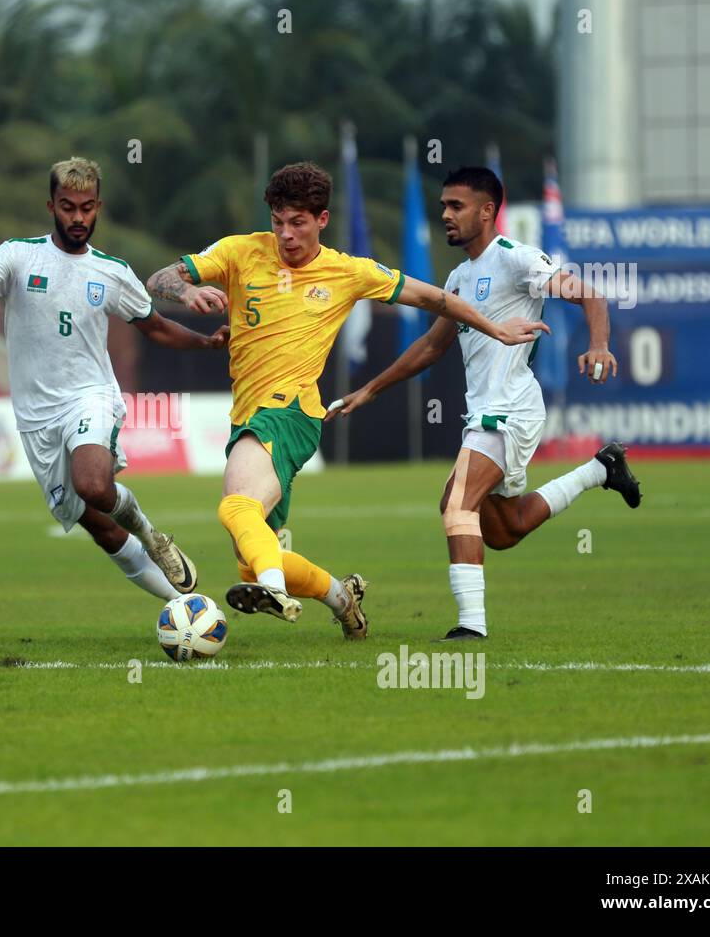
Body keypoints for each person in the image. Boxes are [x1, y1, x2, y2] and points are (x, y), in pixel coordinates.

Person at [146, 162, 547, 639]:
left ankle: (275, 591)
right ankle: (341, 597)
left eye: (297, 223)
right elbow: (159, 278)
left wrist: (497, 328)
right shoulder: (238, 252)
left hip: (291, 413)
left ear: (322, 219)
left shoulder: (347, 271)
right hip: (248, 414)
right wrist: (187, 290)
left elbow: (437, 299)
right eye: (278, 222)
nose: (286, 235)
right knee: (252, 561)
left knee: (236, 507)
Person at [326, 166, 641, 641]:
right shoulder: (459, 276)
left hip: (509, 408)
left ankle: (471, 628)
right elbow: (433, 346)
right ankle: (601, 469)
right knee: (503, 530)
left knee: (456, 503)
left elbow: (590, 294)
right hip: (488, 412)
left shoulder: (516, 258)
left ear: (488, 210)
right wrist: (370, 389)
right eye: (443, 208)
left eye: (457, 206)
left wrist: (599, 345)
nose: (447, 216)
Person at [0, 157, 228, 604]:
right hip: (36, 417)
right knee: (98, 523)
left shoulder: (112, 271)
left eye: (87, 208)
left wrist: (205, 344)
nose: (78, 218)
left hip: (90, 397)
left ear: (99, 207)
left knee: (93, 485)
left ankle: (154, 536)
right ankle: (184, 605)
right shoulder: (17, 254)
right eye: (68, 207)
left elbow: (153, 326)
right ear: (51, 205)